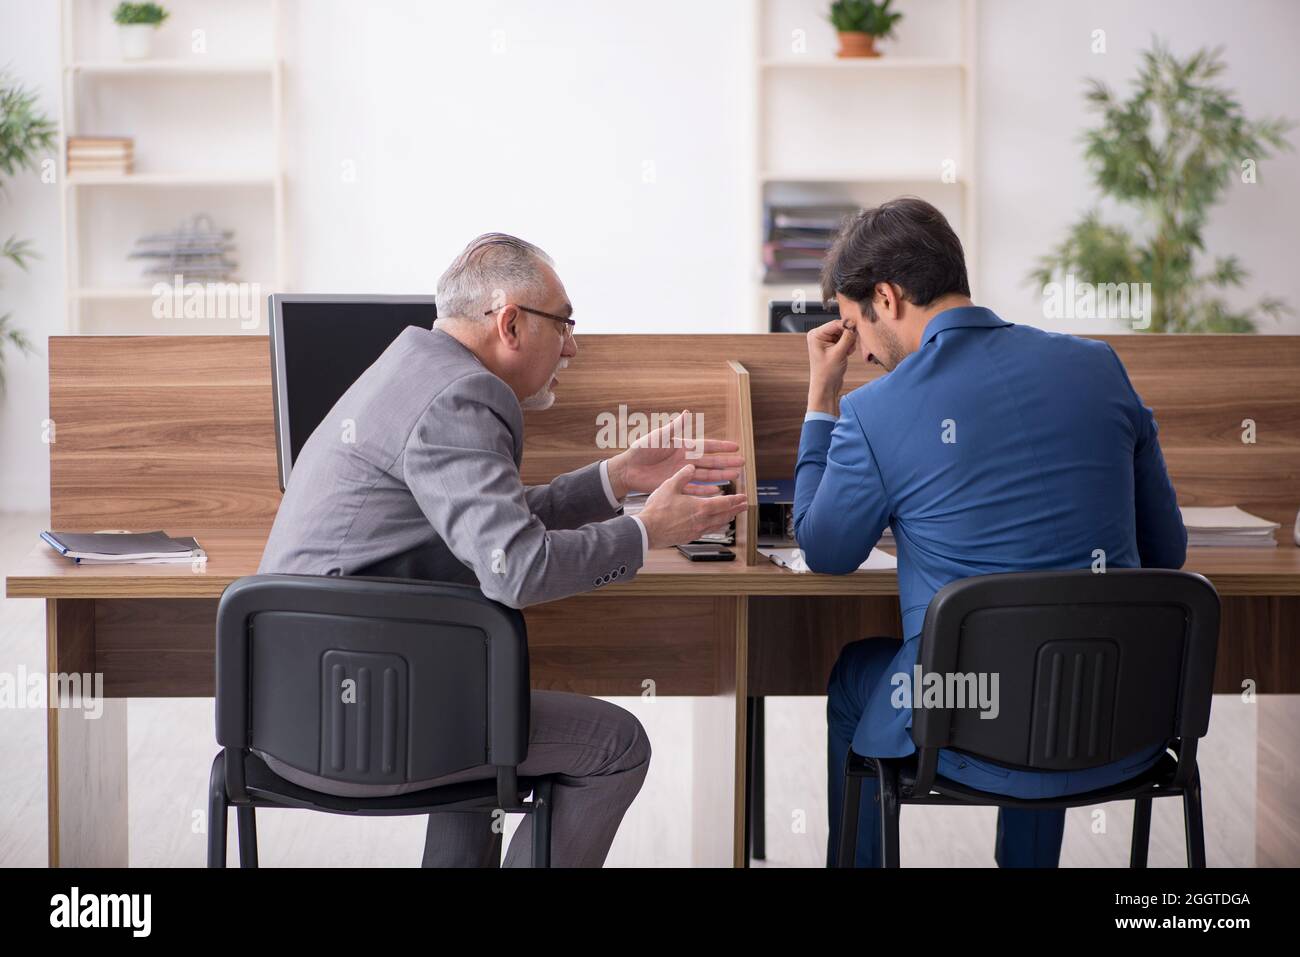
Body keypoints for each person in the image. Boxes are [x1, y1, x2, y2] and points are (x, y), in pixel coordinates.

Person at [259, 232, 749, 866]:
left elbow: (488, 531)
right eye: (566, 323)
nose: (574, 346)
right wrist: (646, 531)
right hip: (360, 711)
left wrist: (616, 479)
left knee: (479, 713)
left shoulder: (415, 366)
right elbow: (517, 570)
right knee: (616, 747)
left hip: (293, 707)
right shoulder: (464, 395)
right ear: (510, 323)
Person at [795, 197, 1186, 867]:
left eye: (856, 322)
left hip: (965, 722)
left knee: (854, 678)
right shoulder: (1099, 367)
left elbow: (826, 550)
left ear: (886, 297)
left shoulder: (873, 411)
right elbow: (1167, 553)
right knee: (1044, 662)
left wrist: (820, 402)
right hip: (1117, 718)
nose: (858, 350)